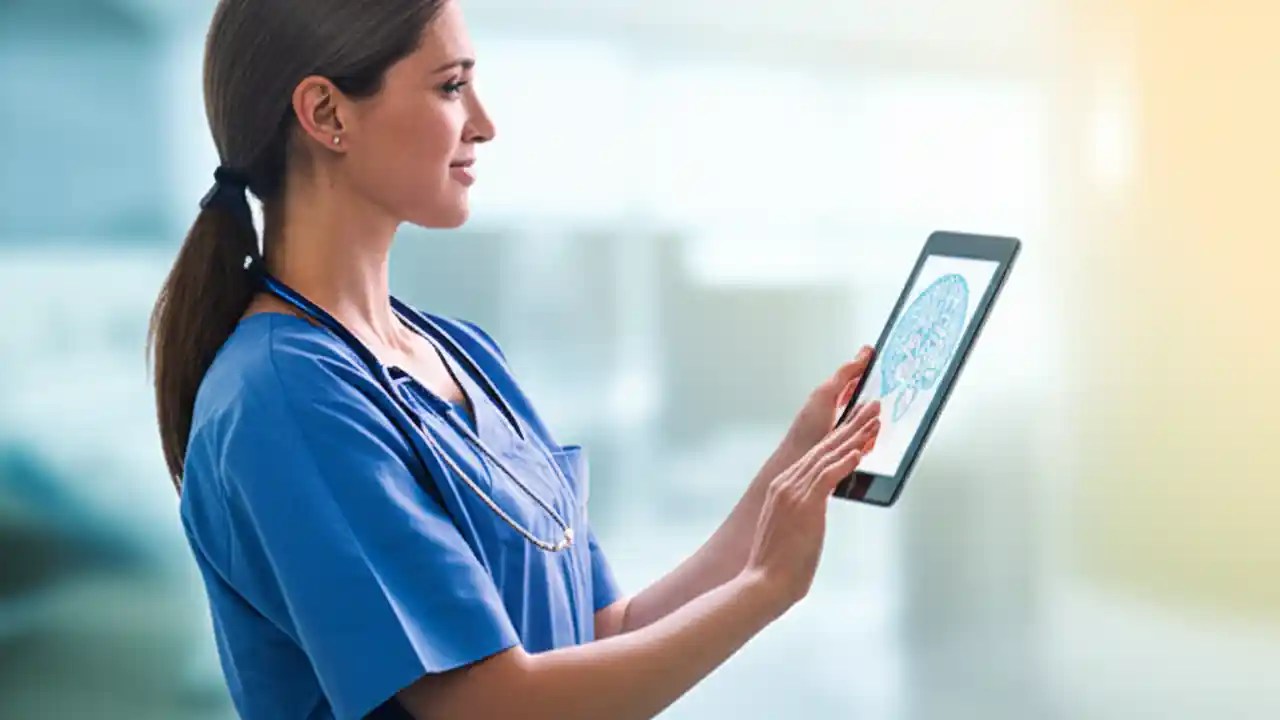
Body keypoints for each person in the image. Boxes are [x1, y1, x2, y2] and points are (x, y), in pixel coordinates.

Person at [147, 1, 883, 718]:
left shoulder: (462, 355)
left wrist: (794, 463)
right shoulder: (285, 398)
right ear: (327, 114)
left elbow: (607, 635)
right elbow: (492, 706)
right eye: (451, 86)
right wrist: (764, 589)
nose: (485, 124)